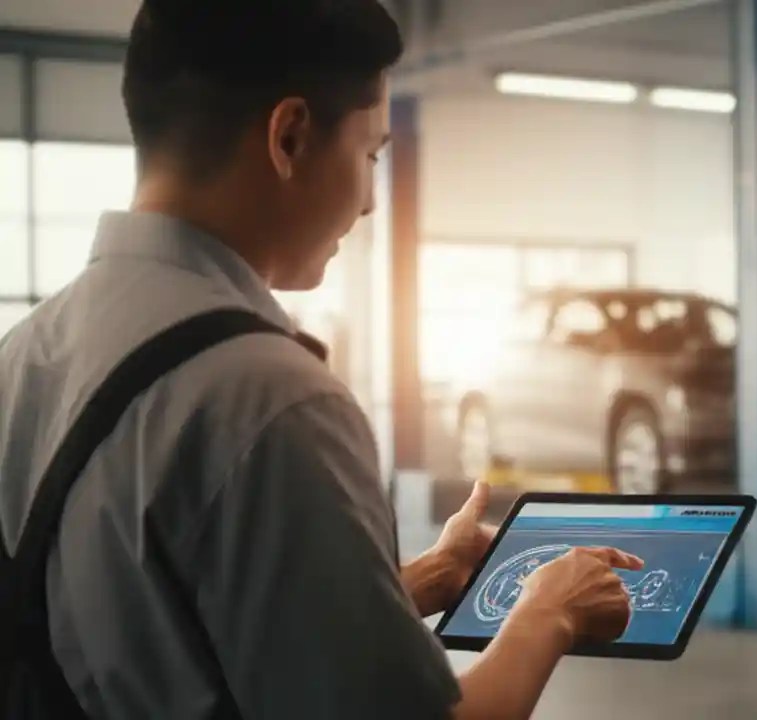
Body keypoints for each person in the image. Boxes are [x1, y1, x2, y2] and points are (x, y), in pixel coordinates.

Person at [0, 1, 642, 718]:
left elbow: (160, 636)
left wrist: (428, 577)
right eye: (370, 156)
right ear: (291, 137)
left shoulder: (29, 352)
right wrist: (549, 612)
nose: (369, 203)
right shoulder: (271, 397)